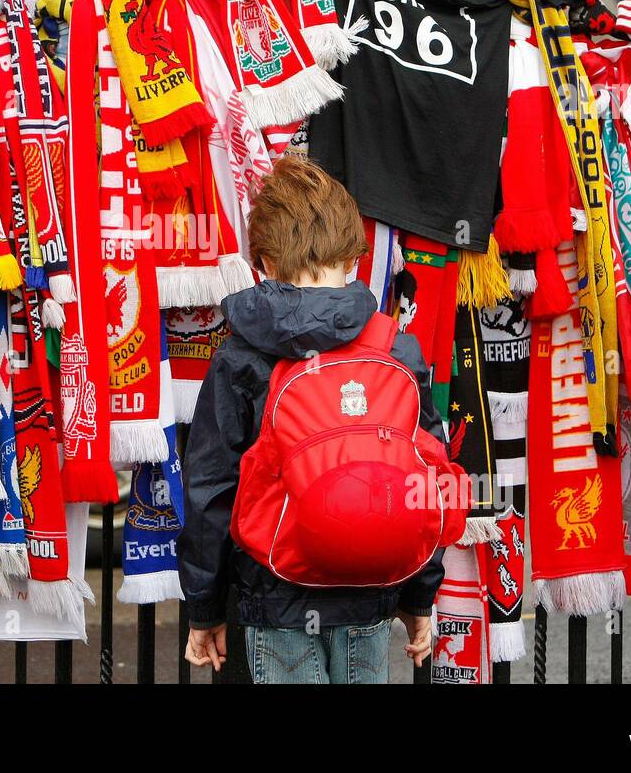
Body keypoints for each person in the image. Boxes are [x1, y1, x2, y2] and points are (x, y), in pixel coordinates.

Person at [179, 156, 447, 684]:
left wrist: (205, 608)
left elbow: (210, 490)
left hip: (275, 597)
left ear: (265, 262)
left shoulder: (242, 357)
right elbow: (430, 478)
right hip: (371, 597)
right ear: (352, 255)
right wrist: (420, 593)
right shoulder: (397, 349)